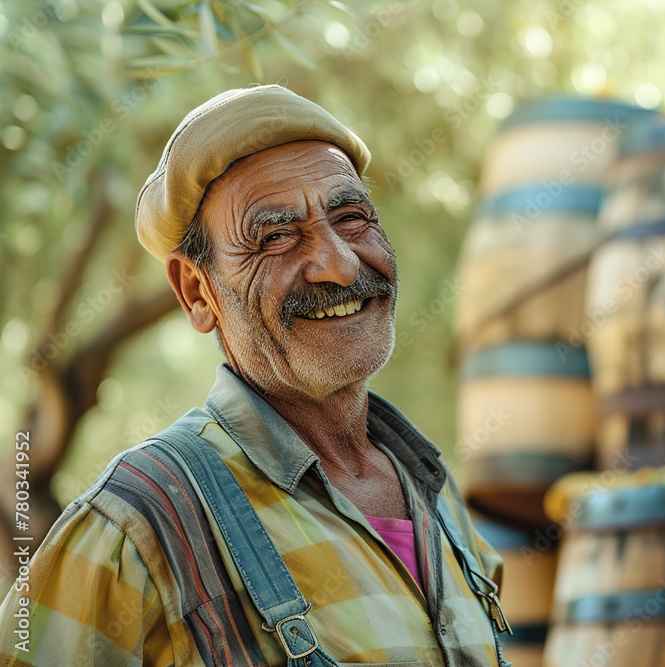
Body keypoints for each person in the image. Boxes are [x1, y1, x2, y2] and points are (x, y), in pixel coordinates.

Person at [0, 85, 508, 667]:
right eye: (275, 237)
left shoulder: (437, 500)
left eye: (351, 217)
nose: (340, 264)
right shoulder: (138, 524)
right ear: (197, 291)